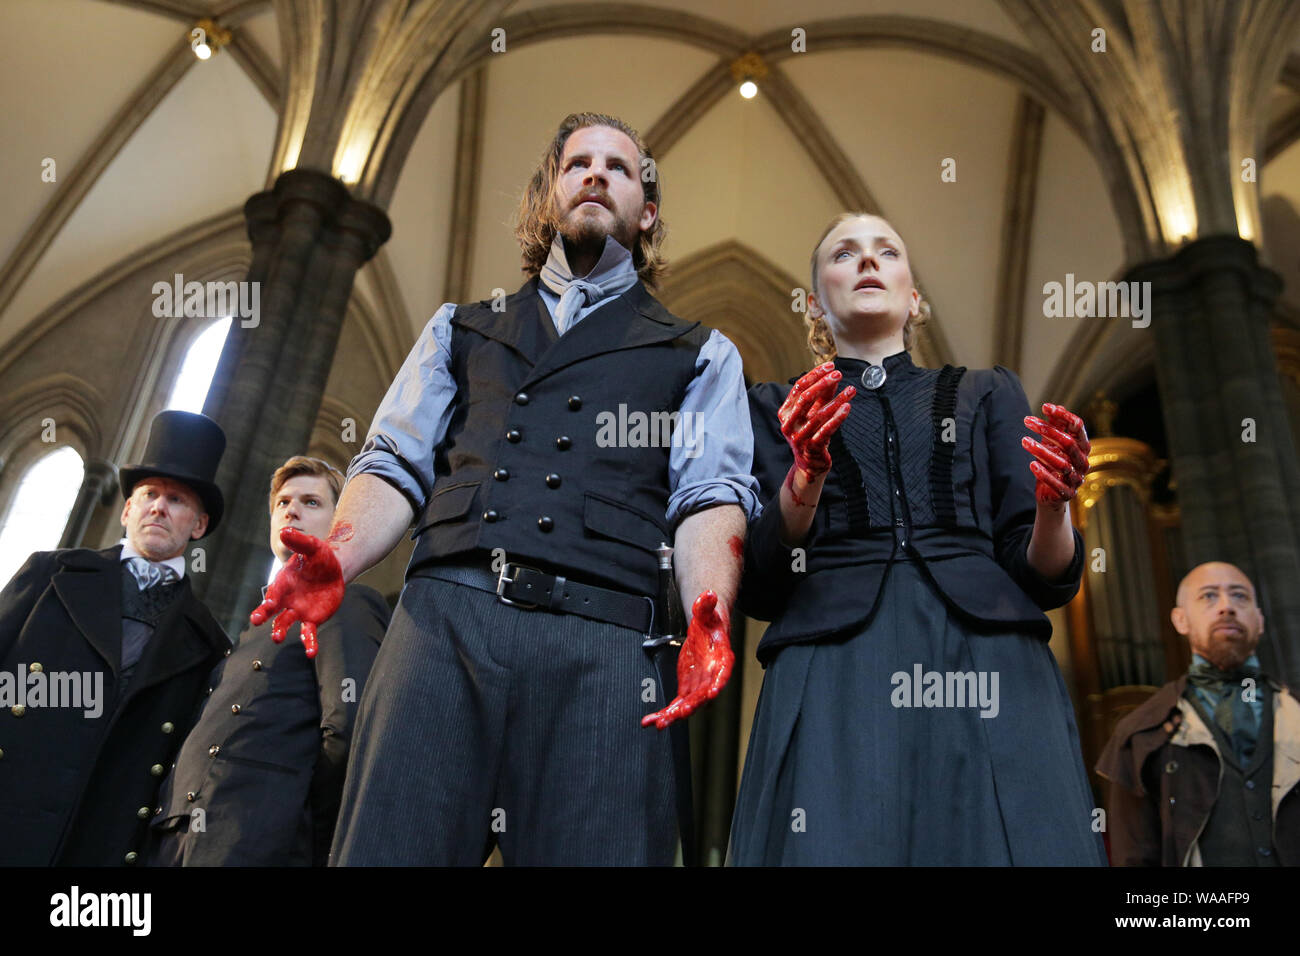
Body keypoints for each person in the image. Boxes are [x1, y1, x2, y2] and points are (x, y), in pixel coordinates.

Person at [251, 112, 760, 865]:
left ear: (646, 213)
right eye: (577, 164)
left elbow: (708, 493)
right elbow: (394, 460)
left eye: (618, 168)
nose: (595, 175)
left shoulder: (701, 353)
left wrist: (708, 605)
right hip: (444, 624)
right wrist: (340, 553)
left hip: (610, 646)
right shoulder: (463, 327)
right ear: (549, 197)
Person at [729, 211, 1107, 865]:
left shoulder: (988, 392)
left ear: (915, 296)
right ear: (815, 302)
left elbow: (1044, 575)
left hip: (990, 657)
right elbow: (762, 582)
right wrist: (805, 480)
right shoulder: (772, 405)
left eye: (887, 251)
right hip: (834, 662)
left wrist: (1054, 505)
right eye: (844, 254)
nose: (868, 261)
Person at [0, 410, 230, 865]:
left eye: (177, 499)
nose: (159, 507)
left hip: (98, 844)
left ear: (198, 525)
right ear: (128, 509)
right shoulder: (50, 574)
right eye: (149, 494)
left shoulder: (209, 643)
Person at [148, 456, 389, 865]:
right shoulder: (256, 625)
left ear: (339, 522)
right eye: (283, 502)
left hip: (257, 844)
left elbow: (351, 732)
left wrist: (294, 819)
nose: (291, 509)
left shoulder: (345, 602)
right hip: (178, 843)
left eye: (311, 502)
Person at [1096, 561, 1300, 865]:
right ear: (1180, 620)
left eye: (1240, 596)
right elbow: (1134, 858)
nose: (1227, 607)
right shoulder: (1140, 733)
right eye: (1208, 596)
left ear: (1260, 620)